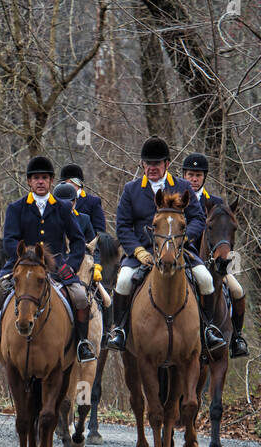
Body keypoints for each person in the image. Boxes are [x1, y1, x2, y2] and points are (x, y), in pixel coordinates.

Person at [105, 137, 226, 355]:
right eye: (148, 164)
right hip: (142, 253)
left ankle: (208, 329)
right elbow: (122, 226)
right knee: (122, 282)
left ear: (167, 164)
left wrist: (184, 239)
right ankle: (120, 330)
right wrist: (138, 251)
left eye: (157, 163)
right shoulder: (131, 190)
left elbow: (198, 218)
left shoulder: (182, 186)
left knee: (206, 280)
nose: (152, 168)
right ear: (142, 164)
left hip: (179, 252)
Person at [0, 156, 96, 364]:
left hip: (56, 266)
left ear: (51, 181)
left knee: (81, 298)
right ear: (29, 181)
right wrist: (24, 257)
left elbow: (77, 241)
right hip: (21, 265)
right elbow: (10, 240)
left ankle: (82, 343)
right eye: (36, 178)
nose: (40, 182)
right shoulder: (16, 208)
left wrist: (71, 266)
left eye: (44, 178)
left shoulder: (63, 208)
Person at [182, 152, 248, 357]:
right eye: (190, 174)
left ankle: (237, 337)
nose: (194, 179)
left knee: (237, 291)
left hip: (214, 264)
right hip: (183, 260)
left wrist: (225, 261)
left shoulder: (216, 202)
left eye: (198, 175)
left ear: (204, 178)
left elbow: (226, 234)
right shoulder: (178, 199)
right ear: (184, 175)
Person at [59, 163, 106, 234]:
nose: (67, 186)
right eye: (64, 182)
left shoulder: (93, 202)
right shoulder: (57, 201)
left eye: (71, 182)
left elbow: (100, 231)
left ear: (78, 183)